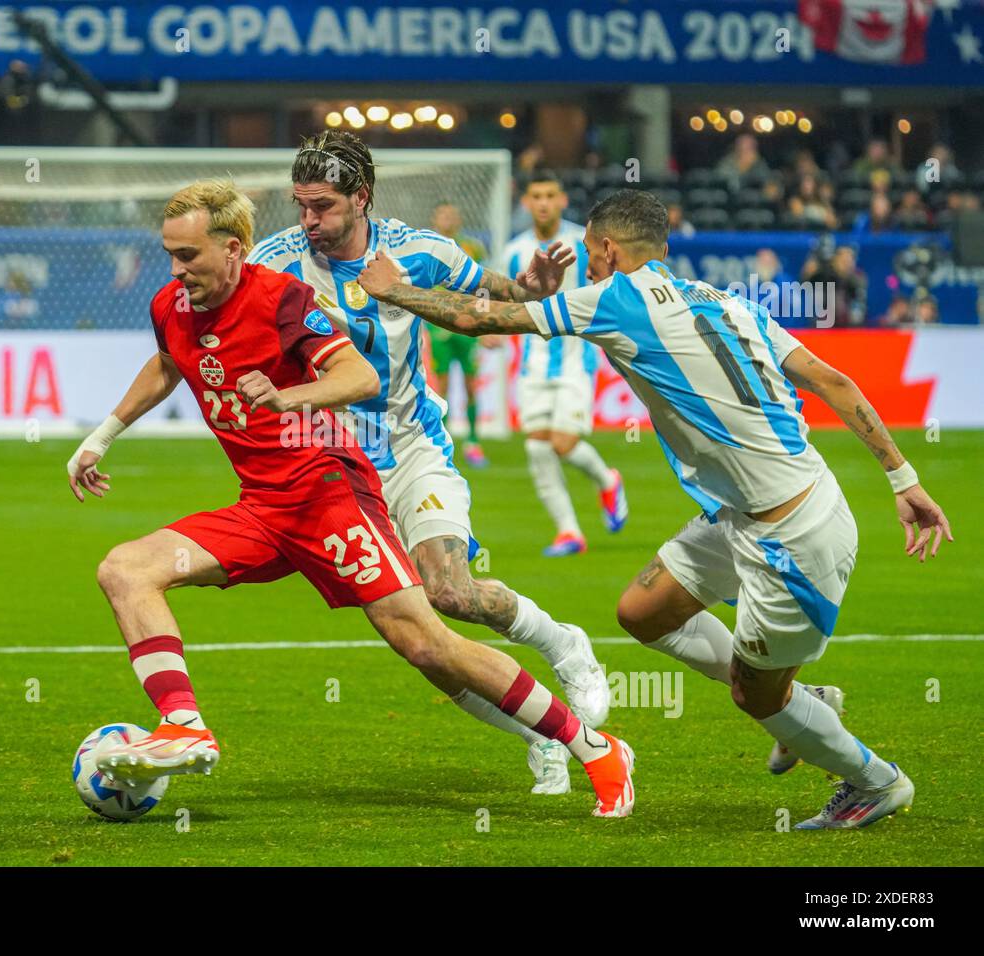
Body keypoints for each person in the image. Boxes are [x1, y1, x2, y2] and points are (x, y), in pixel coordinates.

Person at [357, 188, 954, 830]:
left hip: (793, 536)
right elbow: (834, 381)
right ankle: (802, 700)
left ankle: (874, 779)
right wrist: (904, 478)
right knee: (642, 612)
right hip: (747, 513)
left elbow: (477, 319)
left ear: (610, 251)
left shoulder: (615, 298)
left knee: (755, 696)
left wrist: (395, 289)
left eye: (589, 254)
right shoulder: (726, 301)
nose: (587, 266)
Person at [65, 179, 635, 816]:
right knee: (124, 569)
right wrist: (101, 436)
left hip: (330, 494)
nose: (177, 270)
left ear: (232, 250)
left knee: (427, 641)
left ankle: (595, 748)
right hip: (262, 507)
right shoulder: (173, 304)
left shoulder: (282, 297)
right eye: (170, 254)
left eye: (189, 256)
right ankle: (184, 726)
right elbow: (169, 360)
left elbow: (358, 374)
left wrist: (288, 398)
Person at [246, 131, 610, 796]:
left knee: (450, 592)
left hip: (411, 446)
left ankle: (564, 644)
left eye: (322, 206)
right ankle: (545, 736)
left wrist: (534, 286)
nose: (308, 221)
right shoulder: (275, 263)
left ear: (362, 198)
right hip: (334, 469)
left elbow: (499, 295)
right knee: (419, 642)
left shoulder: (418, 250)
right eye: (300, 205)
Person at [502, 169, 627, 558]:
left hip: (576, 359)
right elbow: (510, 297)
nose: (542, 202)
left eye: (549, 195)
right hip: (532, 363)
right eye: (535, 194)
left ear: (561, 200)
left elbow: (608, 284)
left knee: (562, 442)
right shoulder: (513, 252)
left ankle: (607, 479)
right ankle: (569, 532)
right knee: (538, 448)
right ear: (526, 202)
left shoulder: (582, 241)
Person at [427, 201, 494, 468]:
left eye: (452, 214)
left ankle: (474, 442)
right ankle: (444, 442)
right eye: (443, 215)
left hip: (468, 327)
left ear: (459, 219)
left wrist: (486, 321)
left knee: (470, 385)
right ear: (435, 220)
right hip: (439, 327)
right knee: (441, 386)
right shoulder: (427, 247)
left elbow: (484, 286)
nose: (448, 219)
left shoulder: (472, 248)